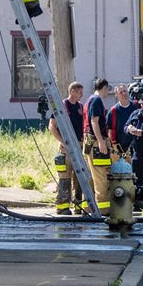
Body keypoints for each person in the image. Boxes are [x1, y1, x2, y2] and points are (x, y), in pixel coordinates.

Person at [49, 81, 85, 215]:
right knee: (65, 178)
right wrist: (63, 142)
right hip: (66, 150)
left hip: (80, 148)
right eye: (80, 92)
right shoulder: (61, 107)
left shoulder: (81, 107)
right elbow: (51, 126)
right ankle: (63, 207)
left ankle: (78, 207)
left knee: (80, 178)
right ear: (72, 92)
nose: (82, 95)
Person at [82, 78, 112, 215]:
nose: (108, 92)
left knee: (91, 176)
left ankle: (89, 207)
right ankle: (103, 210)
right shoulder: (97, 100)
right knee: (101, 177)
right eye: (108, 89)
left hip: (89, 142)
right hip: (95, 143)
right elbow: (95, 122)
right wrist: (101, 141)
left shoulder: (89, 100)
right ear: (104, 87)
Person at [106, 84, 138, 162]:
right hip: (118, 148)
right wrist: (114, 147)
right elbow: (109, 130)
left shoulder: (136, 108)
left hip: (134, 147)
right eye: (121, 92)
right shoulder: (113, 111)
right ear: (116, 95)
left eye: (125, 91)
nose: (124, 93)